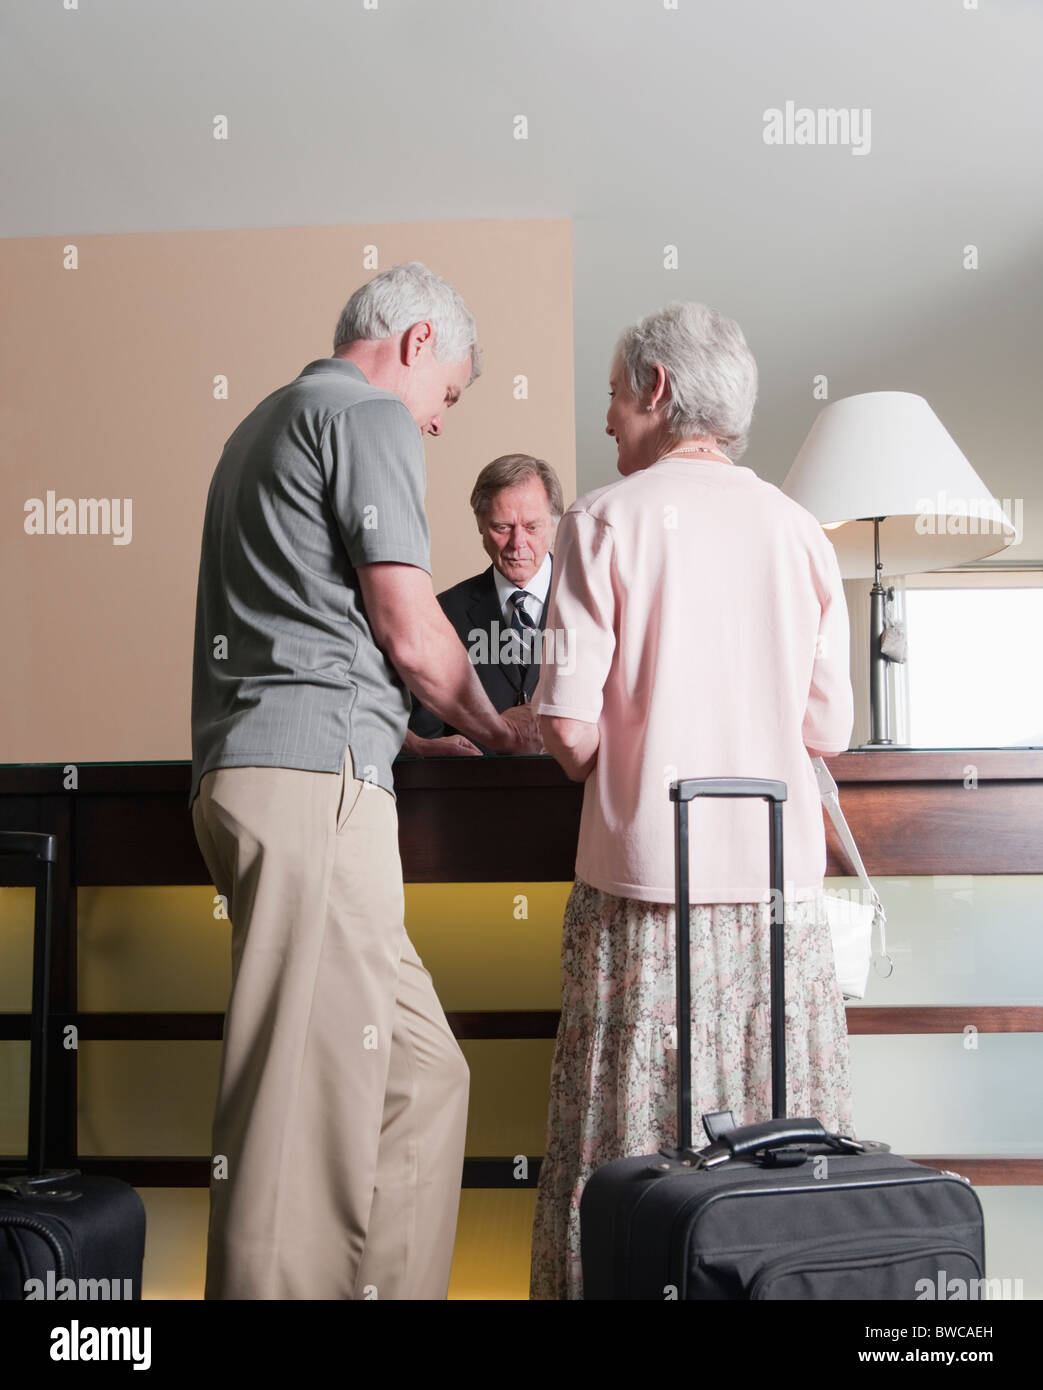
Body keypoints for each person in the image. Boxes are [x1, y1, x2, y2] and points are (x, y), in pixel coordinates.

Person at [189, 261, 541, 1300]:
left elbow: (298, 620)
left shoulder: (259, 426)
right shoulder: (366, 416)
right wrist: (497, 729)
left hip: (279, 771)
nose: (436, 423)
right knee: (298, 1113)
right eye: (450, 395)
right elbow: (410, 628)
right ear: (417, 343)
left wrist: (392, 734)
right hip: (310, 789)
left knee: (422, 1077)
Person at [527, 301, 855, 1300]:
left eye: (617, 398)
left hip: (642, 901)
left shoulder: (600, 520)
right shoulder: (799, 530)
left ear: (657, 392)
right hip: (773, 901)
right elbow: (826, 732)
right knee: (774, 1142)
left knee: (626, 1154)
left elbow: (570, 736)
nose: (609, 423)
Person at [406, 453, 565, 755]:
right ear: (480, 525)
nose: (518, 543)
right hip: (473, 796)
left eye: (532, 527)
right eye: (502, 527)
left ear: (554, 524)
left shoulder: (591, 603)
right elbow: (428, 737)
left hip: (575, 795)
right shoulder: (444, 613)